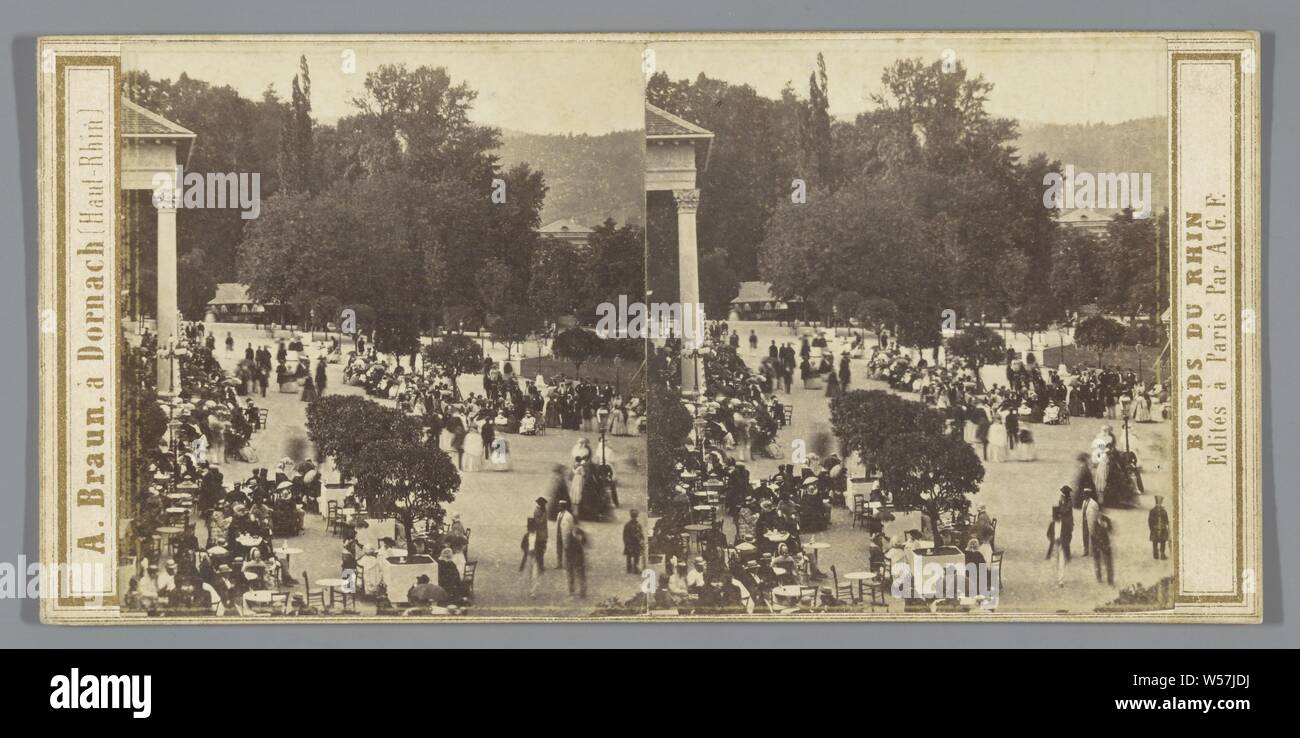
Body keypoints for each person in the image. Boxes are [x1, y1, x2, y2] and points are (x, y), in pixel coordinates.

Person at [519, 518, 544, 599]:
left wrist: (537, 552)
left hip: (536, 557)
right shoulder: (526, 536)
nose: (530, 529)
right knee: (529, 574)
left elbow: (543, 547)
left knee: (534, 575)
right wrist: (527, 550)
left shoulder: (539, 536)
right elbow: (522, 546)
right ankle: (531, 590)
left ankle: (533, 592)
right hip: (528, 557)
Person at [565, 524, 589, 598]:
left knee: (581, 576)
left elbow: (584, 544)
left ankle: (582, 592)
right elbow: (567, 549)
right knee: (571, 576)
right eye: (576, 535)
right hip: (570, 559)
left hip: (579, 560)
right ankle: (571, 590)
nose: (578, 537)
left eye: (579, 536)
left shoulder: (581, 536)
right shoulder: (569, 537)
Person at [1092, 511, 1115, 585]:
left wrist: (1106, 525)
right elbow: (1092, 535)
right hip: (1096, 544)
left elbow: (1111, 529)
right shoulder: (1094, 523)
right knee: (1097, 562)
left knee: (1108, 562)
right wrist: (1094, 546)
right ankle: (1099, 577)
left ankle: (1110, 580)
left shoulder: (1106, 520)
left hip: (1105, 544)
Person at [554, 500, 576, 569]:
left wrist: (570, 535)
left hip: (565, 535)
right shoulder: (559, 514)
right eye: (559, 506)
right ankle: (559, 564)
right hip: (559, 535)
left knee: (567, 550)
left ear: (563, 506)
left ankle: (568, 564)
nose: (559, 507)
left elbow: (572, 526)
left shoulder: (569, 516)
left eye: (560, 506)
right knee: (559, 550)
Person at [623, 509, 645, 574]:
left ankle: (633, 568)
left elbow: (641, 534)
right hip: (632, 543)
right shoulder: (633, 525)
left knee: (634, 556)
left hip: (633, 543)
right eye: (634, 517)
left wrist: (642, 540)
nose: (635, 518)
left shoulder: (632, 525)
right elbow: (626, 535)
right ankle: (631, 568)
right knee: (632, 556)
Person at [1080, 488, 1101, 557]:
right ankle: (1086, 551)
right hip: (1085, 522)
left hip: (1091, 521)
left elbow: (1097, 514)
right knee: (1085, 536)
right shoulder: (1084, 502)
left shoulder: (1094, 503)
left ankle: (1094, 551)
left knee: (1093, 536)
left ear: (1088, 495)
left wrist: (1095, 522)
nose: (1083, 495)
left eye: (1084, 494)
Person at [1149, 495, 1170, 560]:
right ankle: (1162, 555)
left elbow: (1150, 521)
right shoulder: (1164, 511)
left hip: (1154, 528)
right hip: (1163, 528)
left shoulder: (1152, 511)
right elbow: (1166, 521)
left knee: (1155, 542)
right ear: (1161, 502)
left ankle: (1155, 555)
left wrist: (1151, 528)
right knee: (1163, 542)